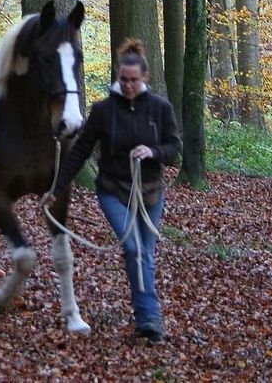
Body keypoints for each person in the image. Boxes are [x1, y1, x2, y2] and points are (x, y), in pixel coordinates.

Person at [43, 38, 181, 343]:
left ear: (145, 78)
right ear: (117, 77)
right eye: (124, 80)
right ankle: (149, 317)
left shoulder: (160, 108)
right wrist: (58, 186)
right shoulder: (103, 110)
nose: (129, 85)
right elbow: (80, 151)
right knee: (133, 248)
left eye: (134, 80)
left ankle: (147, 319)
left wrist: (153, 152)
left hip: (150, 193)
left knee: (146, 253)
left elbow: (174, 148)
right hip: (113, 190)